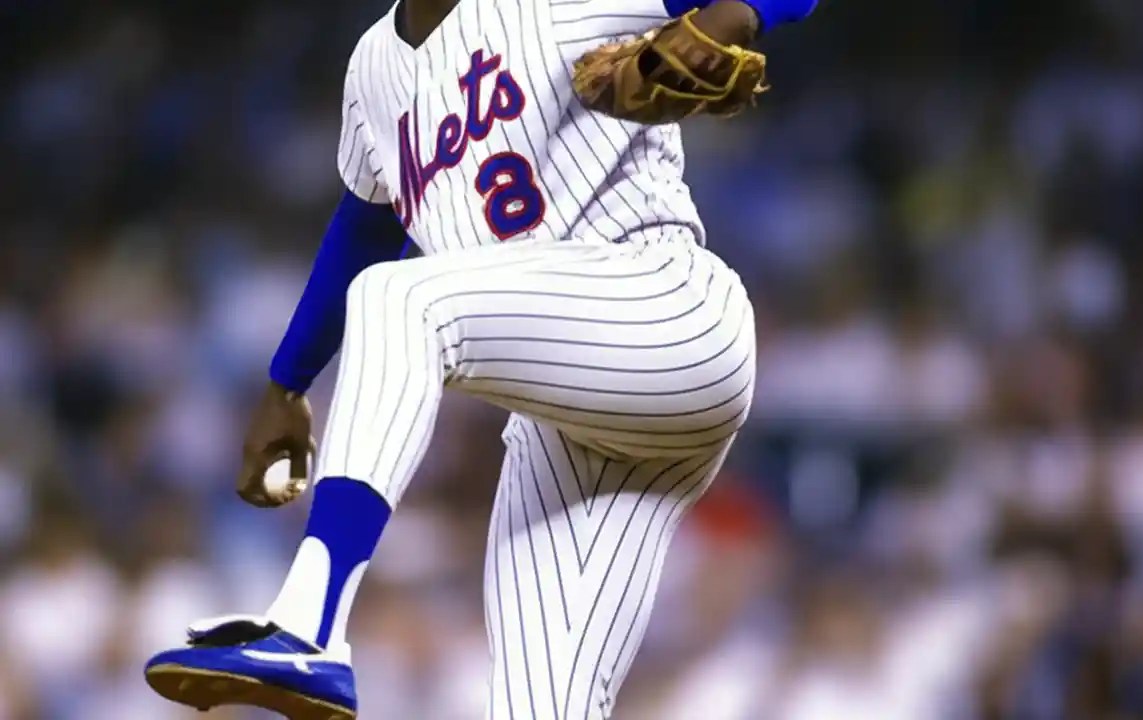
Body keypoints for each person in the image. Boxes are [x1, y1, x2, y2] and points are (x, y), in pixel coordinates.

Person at [143, 0, 816, 716]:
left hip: (664, 309)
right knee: (541, 703)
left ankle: (309, 624)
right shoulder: (374, 68)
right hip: (569, 420)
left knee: (401, 301)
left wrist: (740, 14)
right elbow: (366, 226)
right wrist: (288, 384)